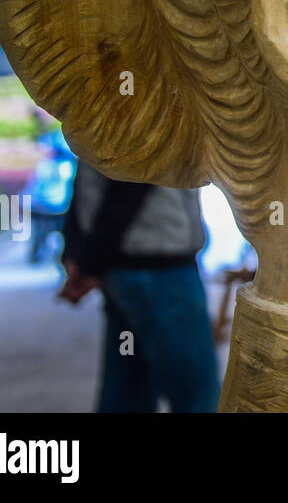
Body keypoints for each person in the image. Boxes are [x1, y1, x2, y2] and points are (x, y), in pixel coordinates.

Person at [59, 163, 220, 412]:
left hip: (128, 268)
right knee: (197, 396)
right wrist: (89, 262)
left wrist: (83, 257)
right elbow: (132, 178)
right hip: (160, 270)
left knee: (128, 392)